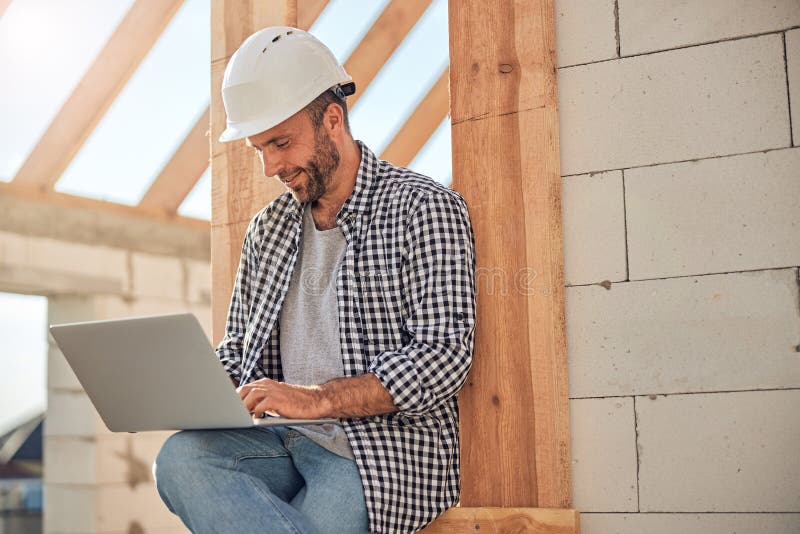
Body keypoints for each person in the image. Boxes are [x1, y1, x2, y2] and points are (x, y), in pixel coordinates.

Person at [153, 26, 476, 534]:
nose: (270, 167)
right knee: (180, 460)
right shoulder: (270, 229)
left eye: (281, 143)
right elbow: (239, 351)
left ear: (332, 120)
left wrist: (315, 398)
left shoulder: (422, 208)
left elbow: (442, 356)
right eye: (260, 148)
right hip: (278, 441)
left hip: (376, 453)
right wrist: (193, 387)